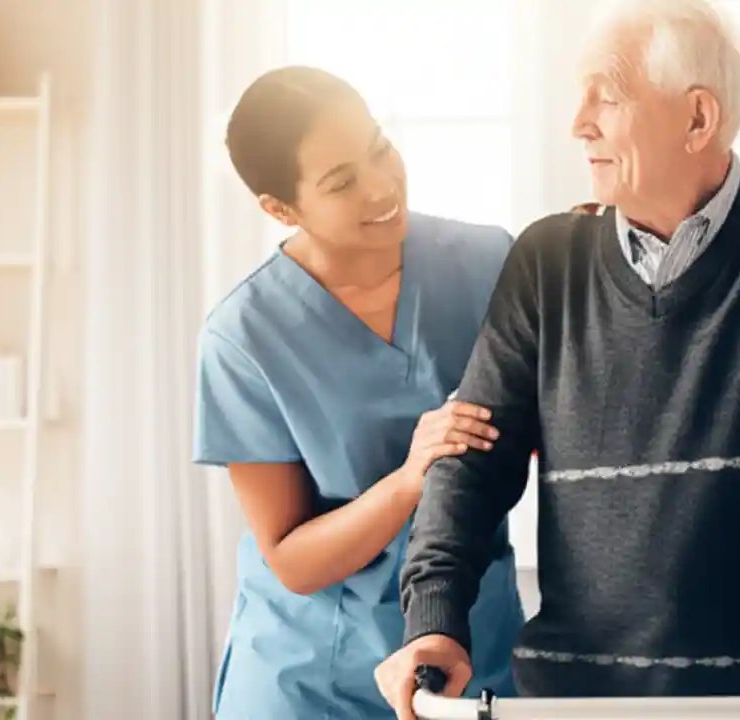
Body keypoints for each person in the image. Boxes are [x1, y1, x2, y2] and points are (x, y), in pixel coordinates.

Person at [375, 1, 740, 718]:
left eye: (607, 96)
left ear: (697, 120)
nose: (578, 122)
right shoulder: (545, 262)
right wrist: (433, 618)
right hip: (576, 698)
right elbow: (473, 454)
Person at [192, 65, 525, 719]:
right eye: (341, 182)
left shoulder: (489, 263)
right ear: (280, 208)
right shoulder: (243, 337)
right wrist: (410, 478)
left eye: (378, 148)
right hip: (312, 681)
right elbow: (290, 558)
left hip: (471, 655)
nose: (380, 187)